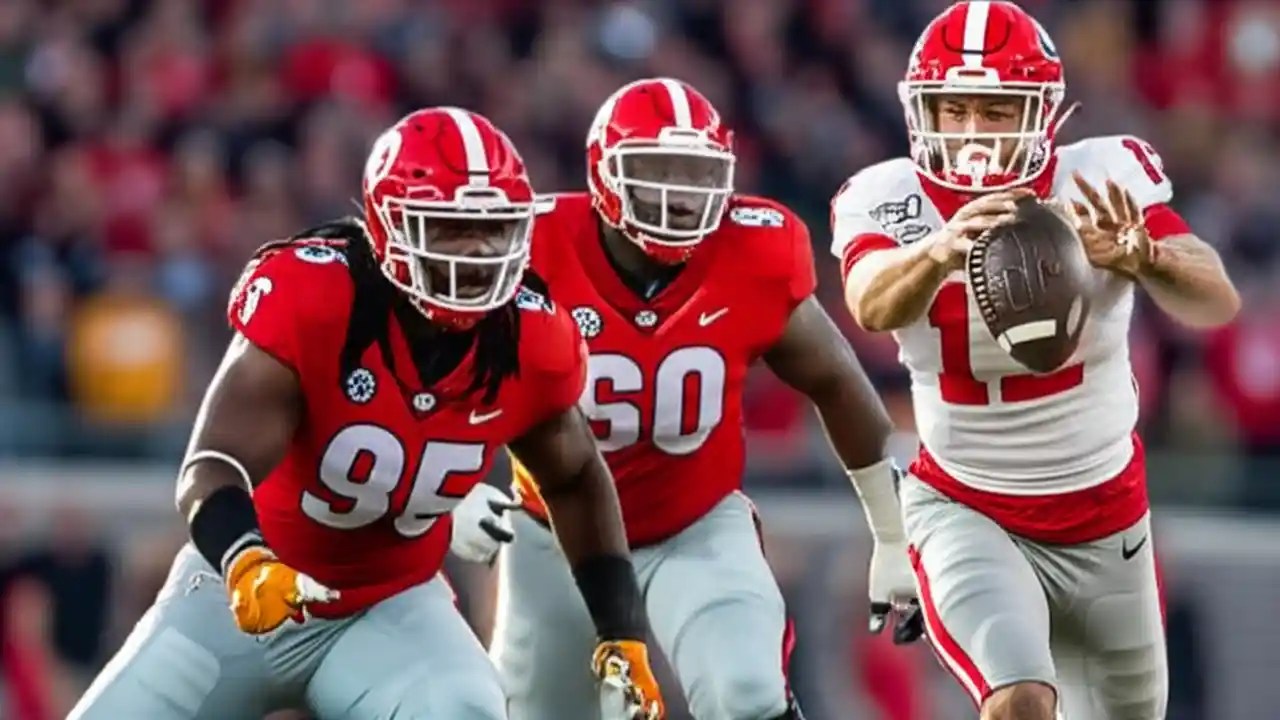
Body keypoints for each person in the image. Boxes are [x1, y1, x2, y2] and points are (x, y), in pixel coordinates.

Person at [68, 107, 664, 720]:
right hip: (241, 593)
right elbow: (212, 466)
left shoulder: (531, 338)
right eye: (450, 229)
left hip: (391, 608)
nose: (478, 253)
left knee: (466, 709)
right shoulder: (317, 298)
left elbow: (575, 477)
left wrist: (620, 628)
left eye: (493, 228)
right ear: (389, 225)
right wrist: (246, 559)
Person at [830, 3, 1241, 720]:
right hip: (966, 503)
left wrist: (1147, 256)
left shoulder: (1102, 175)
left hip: (1105, 511)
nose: (971, 134)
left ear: (1045, 113)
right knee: (1019, 700)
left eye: (995, 110)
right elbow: (868, 303)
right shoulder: (888, 196)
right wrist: (935, 251)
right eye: (951, 110)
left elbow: (1214, 296)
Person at [474, 77, 921, 720]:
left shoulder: (752, 252)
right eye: (657, 172)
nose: (679, 197)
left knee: (747, 694)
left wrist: (890, 531)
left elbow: (836, 381)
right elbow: (451, 380)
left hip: (695, 525)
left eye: (696, 174)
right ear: (604, 174)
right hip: (553, 537)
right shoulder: (530, 252)